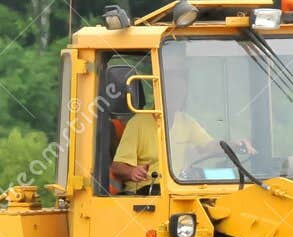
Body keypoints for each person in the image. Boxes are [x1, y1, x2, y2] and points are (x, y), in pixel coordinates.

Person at [108, 65, 253, 192]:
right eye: (171, 92)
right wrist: (131, 171)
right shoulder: (138, 123)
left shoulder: (186, 122)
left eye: (180, 94)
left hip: (179, 188)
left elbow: (209, 147)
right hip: (147, 191)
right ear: (159, 93)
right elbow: (117, 166)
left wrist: (234, 145)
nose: (176, 98)